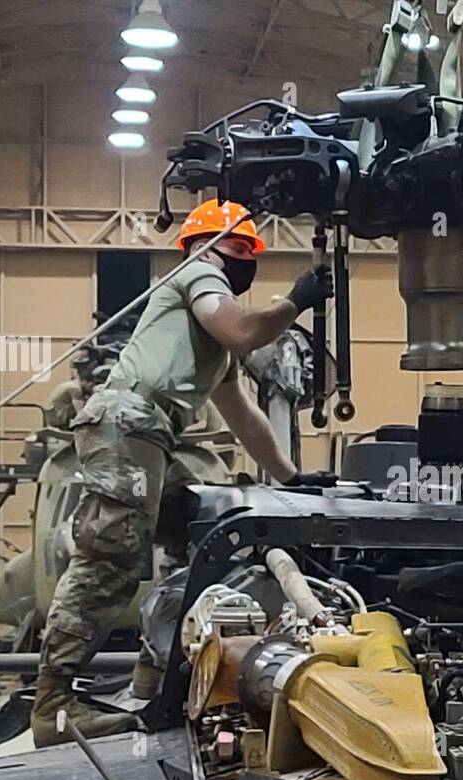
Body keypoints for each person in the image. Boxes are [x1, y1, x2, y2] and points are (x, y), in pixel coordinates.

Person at [31, 199, 335, 747]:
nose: (244, 260)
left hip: (150, 434)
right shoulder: (198, 275)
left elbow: (244, 416)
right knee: (112, 559)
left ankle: (155, 675)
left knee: (199, 537)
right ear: (201, 246)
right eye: (237, 248)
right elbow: (245, 331)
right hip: (128, 424)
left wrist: (290, 479)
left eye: (250, 252)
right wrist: (294, 303)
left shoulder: (212, 344)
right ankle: (53, 708)